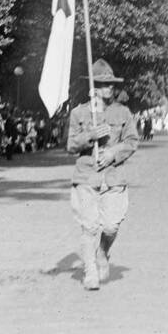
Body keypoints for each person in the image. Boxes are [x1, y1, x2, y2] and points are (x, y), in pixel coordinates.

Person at [66, 59, 139, 291]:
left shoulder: (123, 112)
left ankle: (103, 252)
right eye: (104, 84)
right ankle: (90, 272)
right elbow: (70, 146)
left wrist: (113, 153)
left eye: (111, 85)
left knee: (110, 227)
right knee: (89, 227)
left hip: (114, 177)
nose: (110, 88)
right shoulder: (78, 113)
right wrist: (90, 134)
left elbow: (132, 141)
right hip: (87, 177)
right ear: (93, 87)